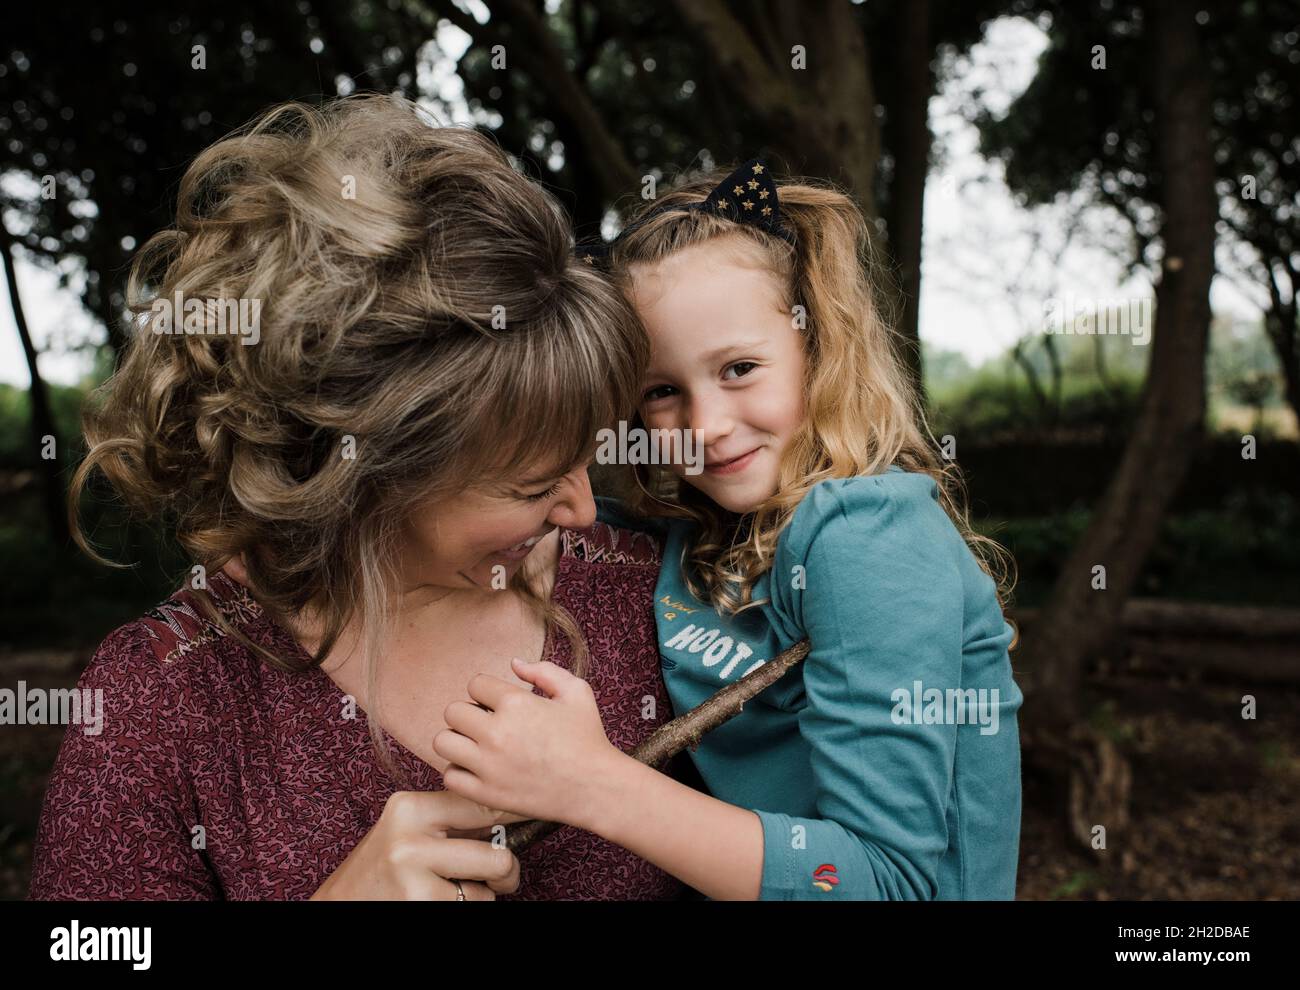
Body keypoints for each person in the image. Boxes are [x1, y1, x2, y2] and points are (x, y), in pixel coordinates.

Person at [28, 94, 689, 901]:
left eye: (586, 458)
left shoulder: (654, 598)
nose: (584, 513)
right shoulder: (167, 695)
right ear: (365, 475)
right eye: (530, 486)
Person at [430, 159, 1025, 900]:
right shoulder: (696, 534)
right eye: (663, 391)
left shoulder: (865, 538)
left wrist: (592, 785)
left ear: (819, 344)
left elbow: (886, 881)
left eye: (739, 368)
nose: (704, 427)